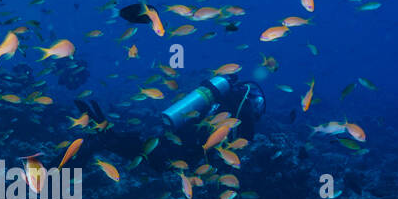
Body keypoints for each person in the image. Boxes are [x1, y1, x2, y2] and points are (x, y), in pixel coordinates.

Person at [75, 70, 266, 170]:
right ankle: (105, 138)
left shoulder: (227, 99)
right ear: (256, 103)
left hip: (182, 129)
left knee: (150, 148)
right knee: (152, 155)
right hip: (189, 142)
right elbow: (247, 137)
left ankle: (105, 132)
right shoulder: (244, 111)